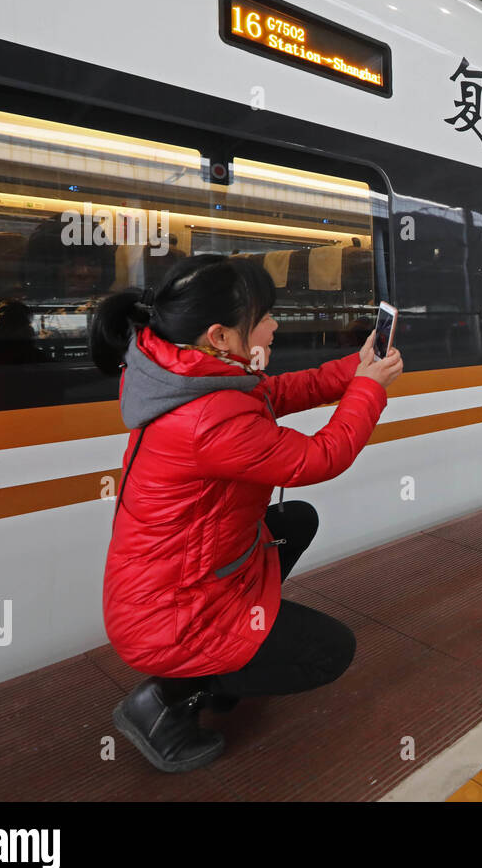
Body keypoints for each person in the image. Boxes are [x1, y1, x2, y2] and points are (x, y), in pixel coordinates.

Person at [88, 254, 403, 773]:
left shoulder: (189, 374)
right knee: (330, 651)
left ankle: (228, 661)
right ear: (221, 336)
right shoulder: (208, 419)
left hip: (174, 583)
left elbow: (275, 393)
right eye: (264, 318)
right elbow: (320, 457)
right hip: (171, 616)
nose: (275, 326)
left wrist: (356, 367)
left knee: (295, 521)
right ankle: (168, 701)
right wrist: (371, 390)